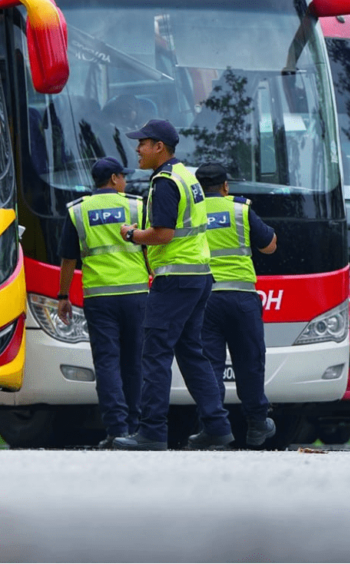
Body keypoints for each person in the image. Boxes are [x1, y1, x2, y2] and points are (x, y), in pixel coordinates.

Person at [110, 119, 232, 451]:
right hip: (198, 275)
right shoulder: (186, 175)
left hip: (176, 279)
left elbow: (163, 234)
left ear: (159, 147)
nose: (137, 148)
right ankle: (217, 426)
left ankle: (151, 432)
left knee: (155, 353)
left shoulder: (164, 181)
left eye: (143, 143)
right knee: (191, 352)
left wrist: (132, 234)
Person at [57, 157, 149, 447]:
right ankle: (134, 428)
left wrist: (63, 296)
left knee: (107, 363)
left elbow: (68, 258)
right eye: (122, 177)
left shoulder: (78, 211)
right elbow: (151, 246)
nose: (125, 182)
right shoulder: (137, 205)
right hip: (135, 295)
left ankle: (116, 429)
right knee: (134, 362)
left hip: (99, 298)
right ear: (113, 179)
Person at [196, 162, 279, 448]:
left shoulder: (190, 211)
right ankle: (257, 424)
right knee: (250, 362)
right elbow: (270, 245)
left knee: (209, 365)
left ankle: (214, 427)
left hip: (205, 299)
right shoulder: (240, 209)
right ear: (225, 186)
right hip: (242, 298)